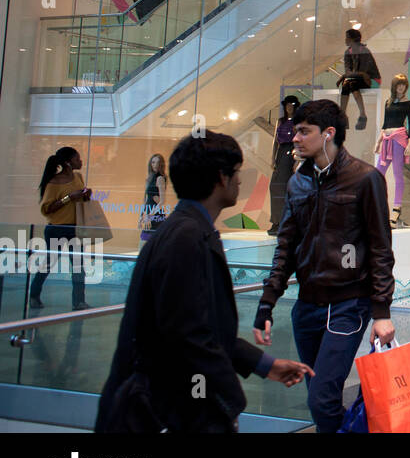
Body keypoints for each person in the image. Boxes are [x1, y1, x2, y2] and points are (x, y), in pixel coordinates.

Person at [96, 134, 312, 432]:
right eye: (236, 172)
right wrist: (230, 399)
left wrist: (265, 365)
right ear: (221, 179)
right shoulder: (185, 238)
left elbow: (205, 328)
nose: (240, 181)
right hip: (168, 411)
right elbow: (188, 335)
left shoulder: (189, 231)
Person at [254, 99, 396, 433]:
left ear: (328, 134)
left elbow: (380, 248)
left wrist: (381, 312)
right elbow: (286, 247)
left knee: (320, 398)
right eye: (296, 132)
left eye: (304, 132)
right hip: (307, 307)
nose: (296, 138)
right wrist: (267, 302)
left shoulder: (366, 179)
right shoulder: (297, 183)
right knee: (323, 402)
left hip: (348, 304)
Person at [31, 146, 92, 311]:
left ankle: (79, 301)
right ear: (68, 162)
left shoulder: (78, 177)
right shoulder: (53, 182)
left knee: (78, 266)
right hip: (57, 228)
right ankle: (34, 295)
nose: (80, 161)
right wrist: (69, 197)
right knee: (49, 263)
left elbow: (81, 202)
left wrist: (86, 195)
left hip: (75, 228)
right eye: (77, 158)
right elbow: (47, 208)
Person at [373, 74, 410, 228]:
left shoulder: (409, 104)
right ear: (394, 86)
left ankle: (396, 209)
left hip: (399, 140)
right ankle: (376, 206)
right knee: (378, 173)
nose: (401, 87)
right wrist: (378, 141)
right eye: (399, 85)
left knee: (397, 174)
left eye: (403, 85)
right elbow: (385, 123)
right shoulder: (388, 102)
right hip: (386, 139)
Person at [268, 94, 300, 235]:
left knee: (287, 189)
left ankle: (285, 223)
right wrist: (273, 159)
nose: (289, 107)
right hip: (281, 154)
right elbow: (275, 141)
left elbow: (299, 141)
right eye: (287, 104)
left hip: (291, 153)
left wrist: (297, 160)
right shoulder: (280, 121)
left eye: (292, 104)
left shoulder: (298, 122)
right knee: (275, 187)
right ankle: (277, 221)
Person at [338, 28, 381, 131]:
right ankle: (345, 115)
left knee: (350, 82)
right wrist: (347, 75)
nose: (345, 39)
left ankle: (361, 114)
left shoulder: (364, 51)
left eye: (347, 37)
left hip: (372, 80)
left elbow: (364, 73)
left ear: (352, 39)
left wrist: (347, 75)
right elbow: (349, 72)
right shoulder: (348, 52)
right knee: (347, 83)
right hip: (356, 80)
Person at [139, 153, 167, 243]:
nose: (155, 165)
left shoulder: (160, 179)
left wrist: (149, 216)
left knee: (152, 242)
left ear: (161, 165)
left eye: (158, 163)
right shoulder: (149, 179)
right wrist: (141, 216)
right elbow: (145, 199)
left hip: (155, 214)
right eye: (153, 162)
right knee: (144, 242)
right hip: (149, 214)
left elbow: (162, 201)